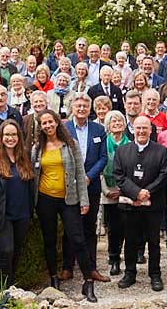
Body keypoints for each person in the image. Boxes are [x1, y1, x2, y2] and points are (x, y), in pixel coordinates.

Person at [32, 110, 97, 302]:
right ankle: (54, 279)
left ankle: (88, 281)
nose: (48, 126)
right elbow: (34, 176)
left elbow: (80, 173)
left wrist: (84, 200)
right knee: (50, 240)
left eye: (50, 122)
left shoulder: (70, 145)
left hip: (69, 199)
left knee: (78, 239)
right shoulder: (37, 148)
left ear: (57, 123)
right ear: (40, 126)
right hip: (45, 199)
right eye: (44, 123)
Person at [114, 115, 167, 291]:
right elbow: (119, 176)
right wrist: (136, 192)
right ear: (132, 129)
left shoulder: (161, 151)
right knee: (130, 240)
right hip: (131, 205)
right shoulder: (122, 151)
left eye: (145, 128)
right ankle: (130, 273)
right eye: (138, 128)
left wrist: (146, 192)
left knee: (153, 241)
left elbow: (163, 175)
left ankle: (155, 274)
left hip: (153, 205)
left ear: (151, 130)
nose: (141, 131)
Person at [0, 119, 36, 286]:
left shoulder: (25, 157)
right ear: (1, 137)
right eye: (7, 135)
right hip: (2, 214)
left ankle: (11, 286)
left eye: (13, 135)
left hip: (22, 214)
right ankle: (2, 288)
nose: (10, 138)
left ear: (19, 136)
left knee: (16, 251)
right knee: (6, 250)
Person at [62, 93, 109, 283]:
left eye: (85, 106)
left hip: (91, 186)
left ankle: (91, 269)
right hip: (69, 186)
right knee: (69, 228)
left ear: (90, 109)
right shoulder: (63, 129)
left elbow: (103, 158)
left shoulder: (99, 129)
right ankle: (67, 267)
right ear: (72, 107)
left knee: (90, 228)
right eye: (78, 105)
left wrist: (88, 177)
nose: (81, 109)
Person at [101, 110, 130, 276]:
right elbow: (99, 167)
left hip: (125, 192)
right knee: (113, 228)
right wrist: (106, 190)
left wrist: (123, 189)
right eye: (113, 122)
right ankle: (114, 258)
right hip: (108, 192)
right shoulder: (103, 144)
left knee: (126, 226)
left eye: (120, 121)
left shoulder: (130, 143)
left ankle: (124, 256)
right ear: (108, 126)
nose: (117, 124)